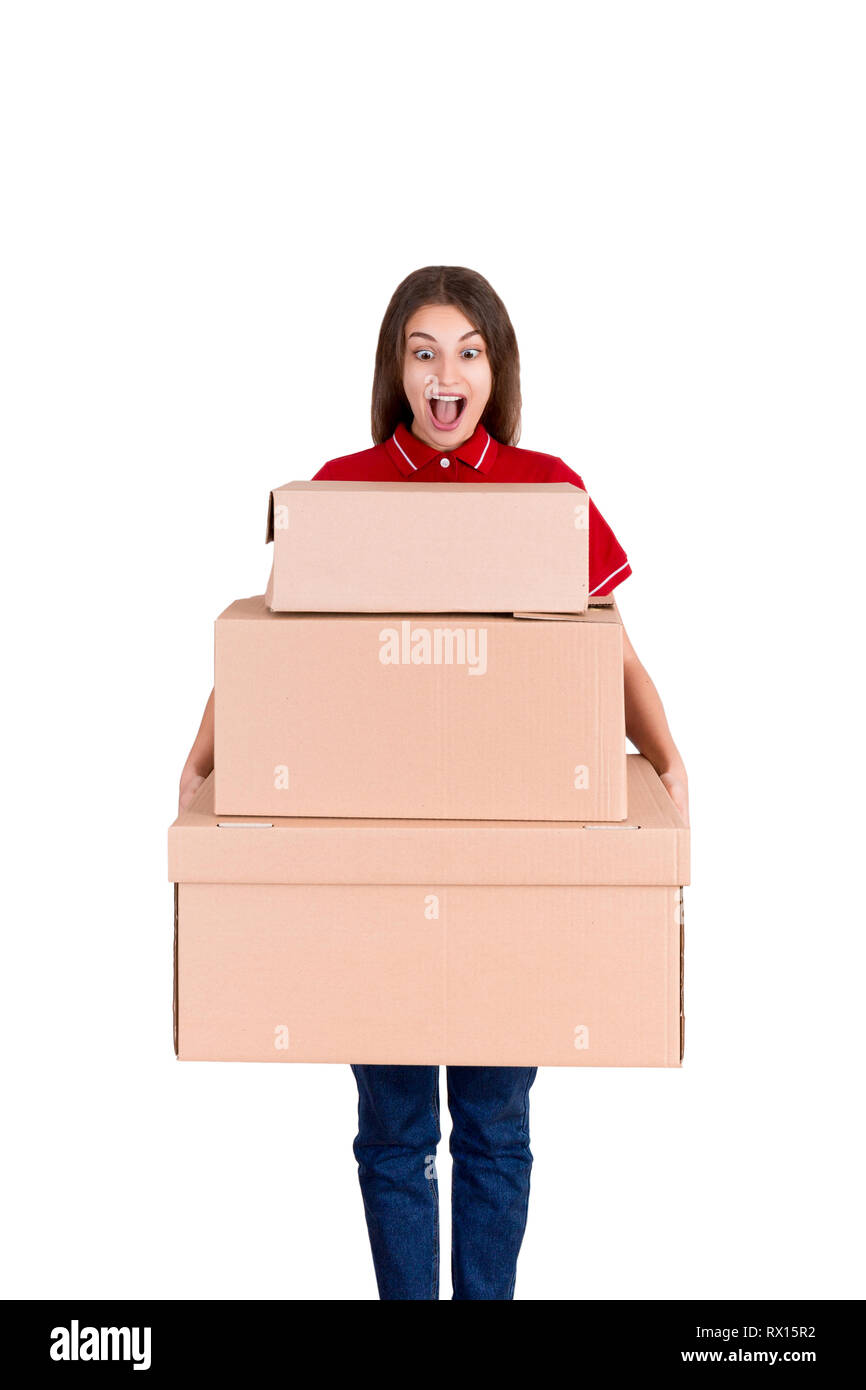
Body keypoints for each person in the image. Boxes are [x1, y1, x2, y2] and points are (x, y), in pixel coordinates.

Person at [178, 265, 689, 1300]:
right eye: (423, 351)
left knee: (495, 1119)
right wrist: (200, 760)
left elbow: (611, 652)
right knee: (397, 1123)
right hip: (376, 846)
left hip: (509, 847)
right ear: (397, 371)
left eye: (467, 351)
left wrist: (671, 760)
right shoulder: (341, 486)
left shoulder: (548, 492)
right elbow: (272, 646)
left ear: (494, 371)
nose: (444, 374)